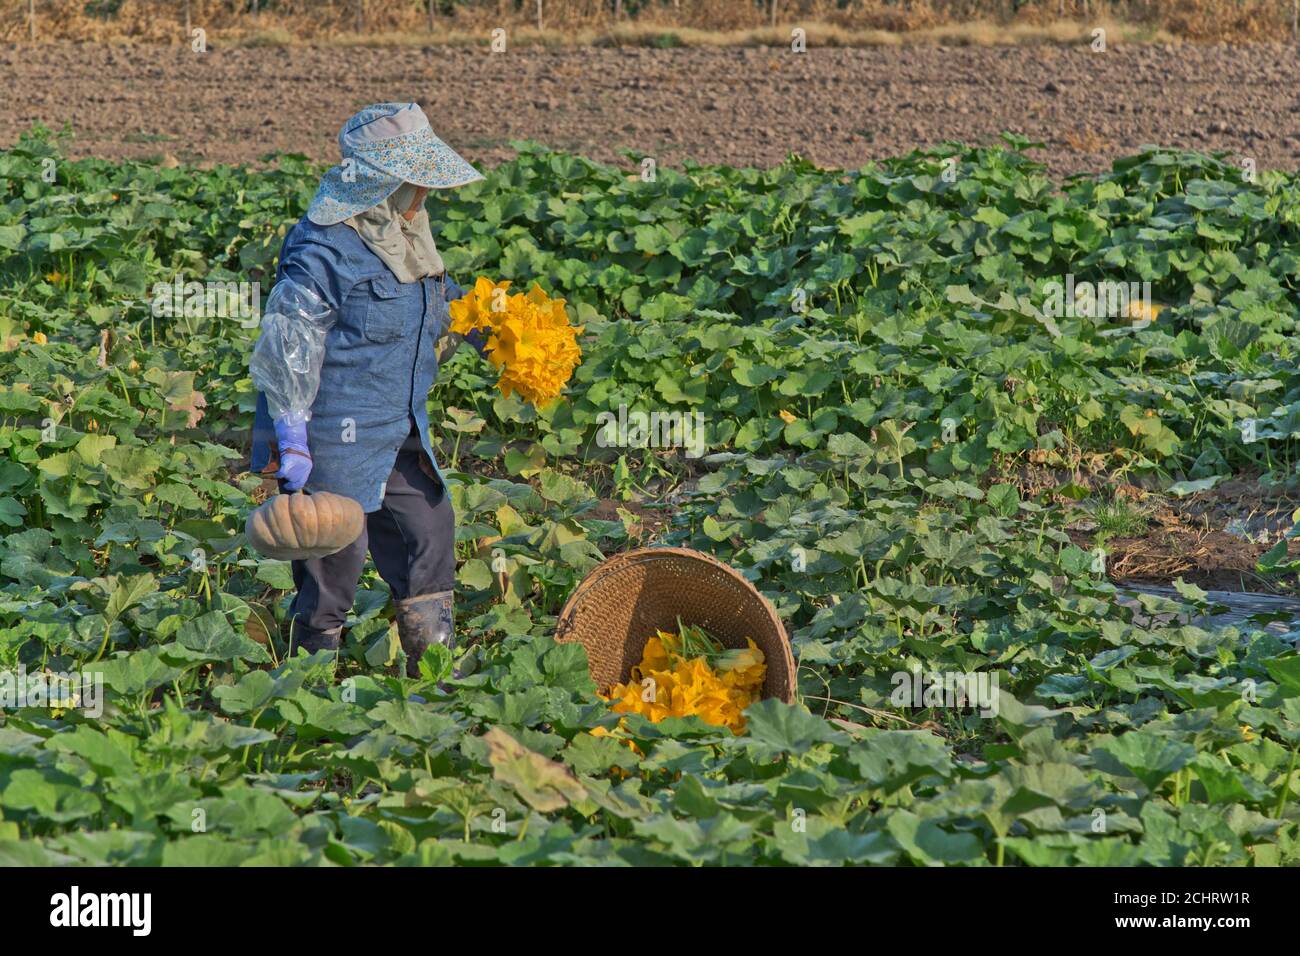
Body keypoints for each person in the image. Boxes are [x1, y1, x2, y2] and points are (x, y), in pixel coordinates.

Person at [248, 102, 486, 675]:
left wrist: (490, 327)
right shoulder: (325, 247)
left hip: (401, 429)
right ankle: (310, 691)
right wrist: (292, 439)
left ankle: (433, 683)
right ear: (380, 181)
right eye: (415, 181)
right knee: (334, 568)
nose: (424, 195)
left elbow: (435, 305)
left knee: (429, 534)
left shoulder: (407, 236)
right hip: (336, 436)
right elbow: (290, 341)